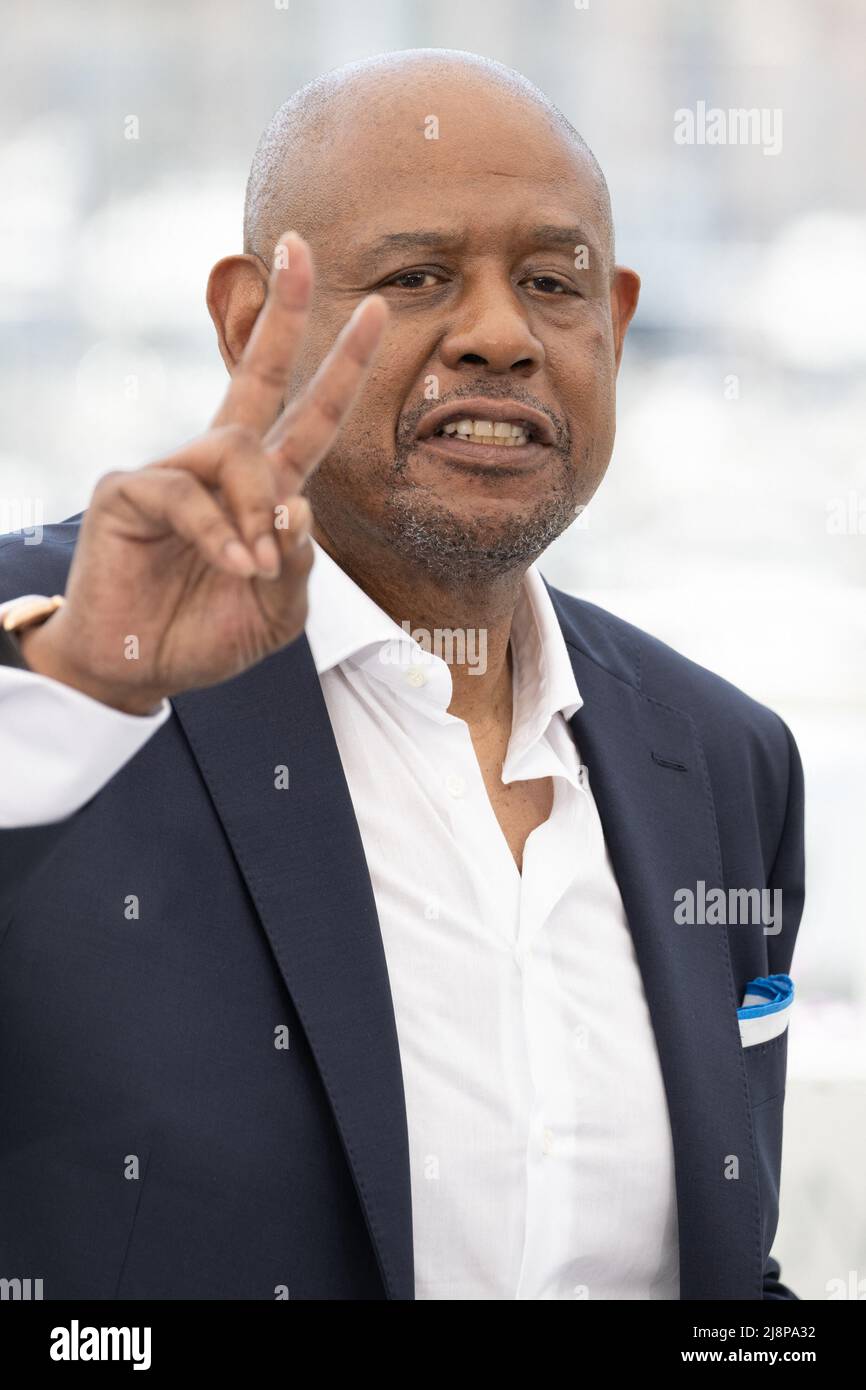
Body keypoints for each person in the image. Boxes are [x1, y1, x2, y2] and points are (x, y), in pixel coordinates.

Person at [0, 49, 802, 1300]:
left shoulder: (720, 757)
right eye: (417, 277)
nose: (498, 335)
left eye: (551, 283)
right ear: (245, 320)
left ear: (617, 324)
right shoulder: (68, 655)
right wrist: (72, 691)